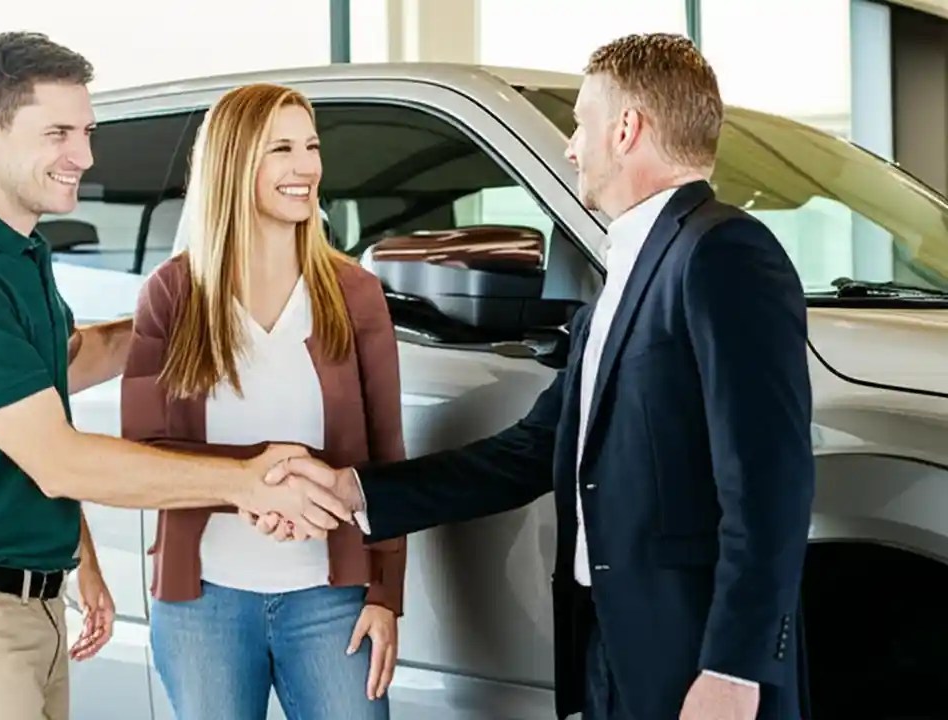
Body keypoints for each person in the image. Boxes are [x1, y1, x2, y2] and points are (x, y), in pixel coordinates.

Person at [257, 33, 815, 720]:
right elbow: (528, 453)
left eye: (580, 124)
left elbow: (769, 482)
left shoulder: (723, 251)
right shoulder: (629, 273)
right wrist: (356, 491)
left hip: (695, 657)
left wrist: (734, 666)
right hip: (616, 650)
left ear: (626, 130)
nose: (572, 148)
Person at [0, 33, 353, 720]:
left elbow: (66, 369)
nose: (85, 156)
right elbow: (58, 460)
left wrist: (195, 309)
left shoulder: (16, 252)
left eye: (86, 132)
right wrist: (244, 480)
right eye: (58, 134)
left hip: (21, 606)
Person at [119, 82, 406, 720]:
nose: (306, 166)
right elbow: (141, 454)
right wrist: (255, 488)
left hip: (332, 600)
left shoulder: (355, 293)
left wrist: (386, 593)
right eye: (282, 149)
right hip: (203, 605)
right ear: (232, 163)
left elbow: (388, 454)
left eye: (311, 146)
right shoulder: (172, 294)